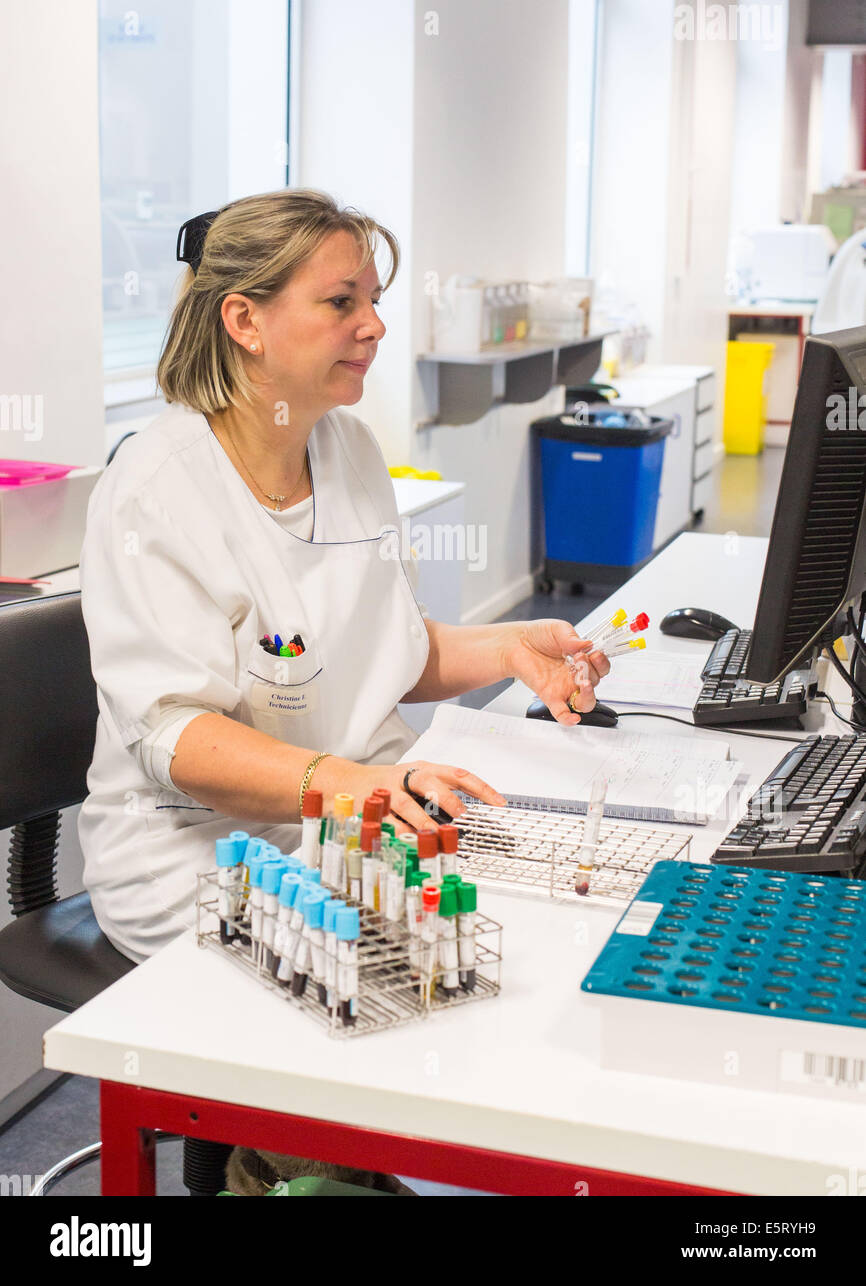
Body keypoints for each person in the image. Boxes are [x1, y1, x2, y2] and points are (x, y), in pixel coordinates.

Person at [78, 187, 610, 967]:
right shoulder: (155, 489)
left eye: (373, 300)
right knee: (428, 970)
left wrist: (508, 649)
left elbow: (379, 652)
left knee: (540, 922)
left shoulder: (349, 450)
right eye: (340, 301)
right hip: (200, 853)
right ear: (244, 321)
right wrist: (345, 782)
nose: (374, 325)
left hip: (360, 811)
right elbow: (177, 739)